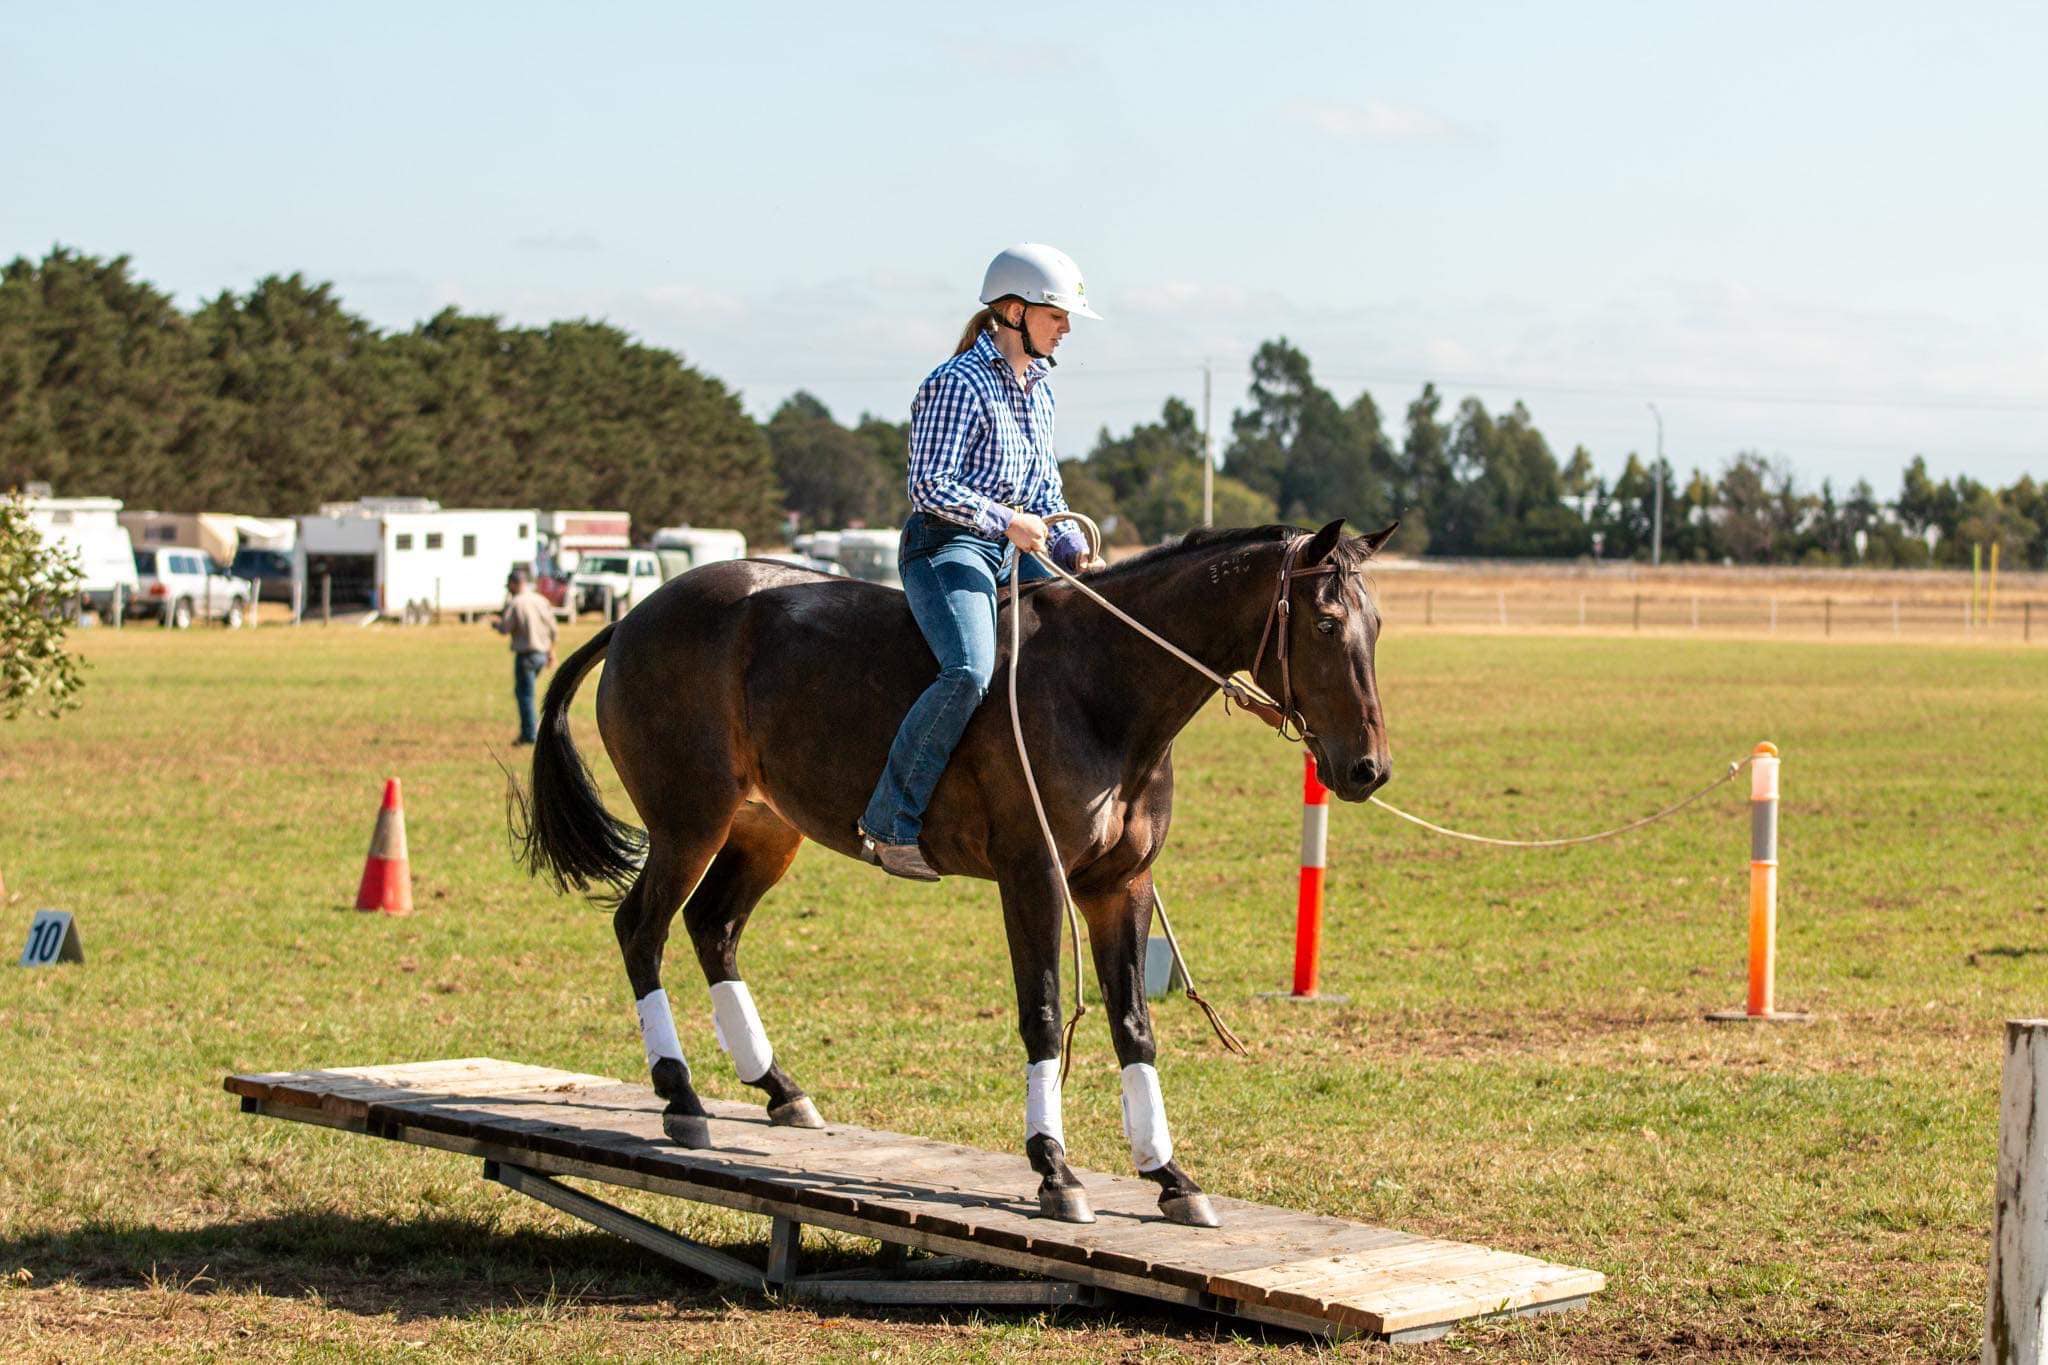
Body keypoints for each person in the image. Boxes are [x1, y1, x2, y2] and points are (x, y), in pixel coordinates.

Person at [858, 243, 1102, 881]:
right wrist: (1005, 520)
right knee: (968, 669)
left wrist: (1074, 548)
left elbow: (1045, 491)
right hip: (947, 547)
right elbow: (928, 484)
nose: (1067, 328)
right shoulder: (954, 383)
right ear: (1015, 312)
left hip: (1017, 546)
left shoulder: (1040, 389)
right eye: (1057, 316)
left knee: (1102, 626)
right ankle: (888, 821)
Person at [493, 566, 557, 746]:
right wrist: (551, 651)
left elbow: (505, 628)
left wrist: (496, 624)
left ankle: (530, 734)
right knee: (527, 692)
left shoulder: (516, 603)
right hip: (541, 654)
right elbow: (553, 629)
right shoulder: (540, 600)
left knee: (525, 694)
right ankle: (532, 729)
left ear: (514, 584)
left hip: (526, 655)